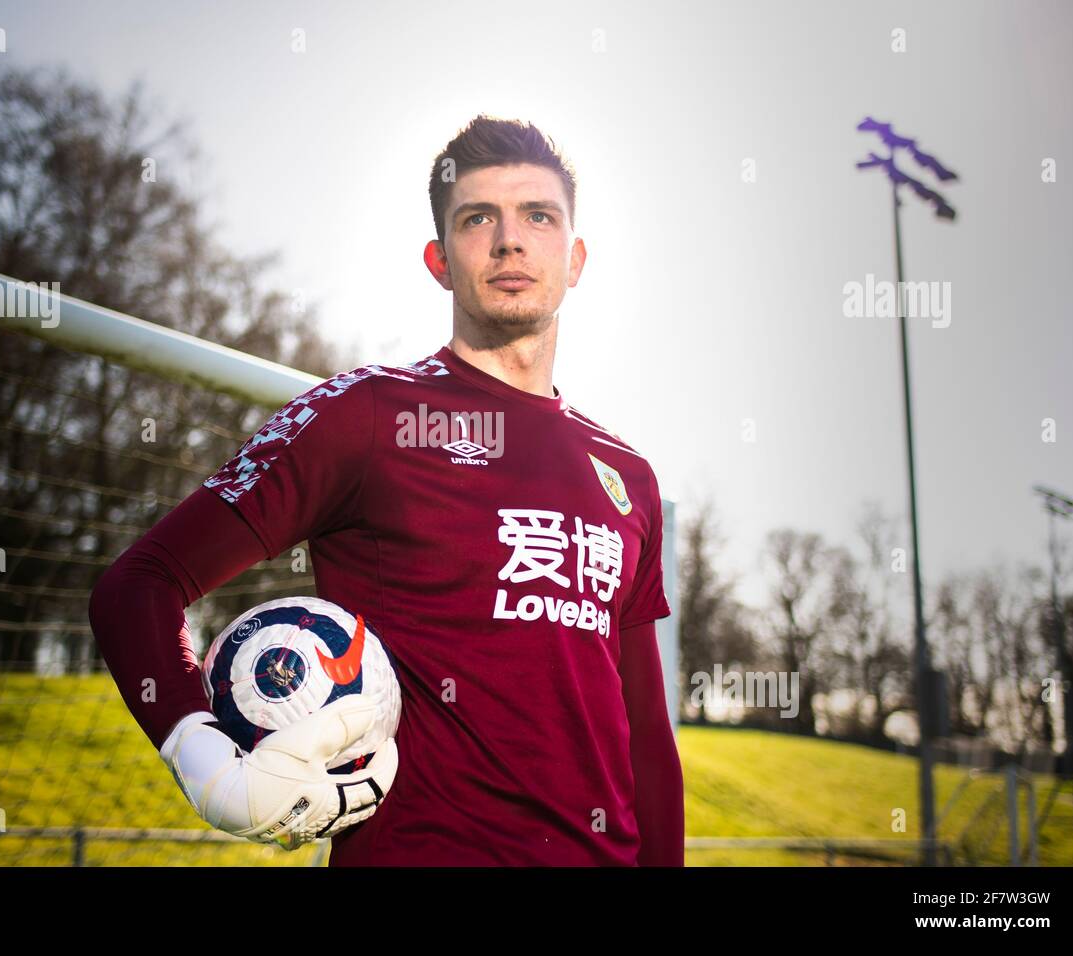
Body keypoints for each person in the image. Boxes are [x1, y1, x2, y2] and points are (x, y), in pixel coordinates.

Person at [89, 115, 684, 866]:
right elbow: (137, 586)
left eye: (539, 215)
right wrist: (201, 758)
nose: (510, 240)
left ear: (576, 256)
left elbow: (647, 737)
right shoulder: (368, 415)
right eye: (478, 218)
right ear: (439, 259)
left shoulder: (626, 476)